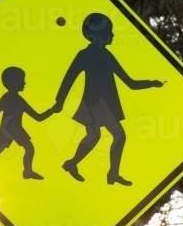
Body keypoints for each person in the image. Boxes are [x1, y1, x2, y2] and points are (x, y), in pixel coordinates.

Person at [51, 12, 164, 185]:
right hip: (95, 104)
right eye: (109, 31)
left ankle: (75, 164)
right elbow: (69, 78)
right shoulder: (85, 55)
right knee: (115, 135)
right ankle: (102, 172)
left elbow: (130, 83)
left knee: (101, 135)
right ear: (99, 34)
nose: (112, 35)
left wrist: (152, 83)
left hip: (104, 104)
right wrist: (59, 102)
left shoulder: (107, 55)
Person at [0, 66, 52, 179]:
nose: (24, 83)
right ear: (14, 82)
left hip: (16, 128)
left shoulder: (18, 99)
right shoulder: (8, 97)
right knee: (4, 147)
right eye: (22, 80)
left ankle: (27, 171)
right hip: (8, 128)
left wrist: (52, 111)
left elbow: (37, 117)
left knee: (26, 148)